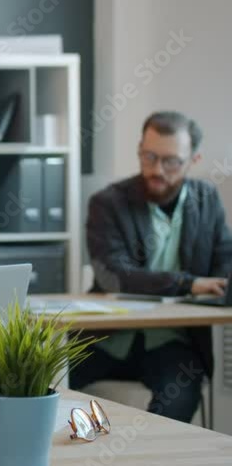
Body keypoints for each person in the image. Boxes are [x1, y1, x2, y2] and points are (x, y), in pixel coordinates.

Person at [73, 111, 232, 422]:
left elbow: (224, 259)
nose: (157, 170)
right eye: (149, 156)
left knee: (178, 399)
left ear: (193, 160)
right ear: (139, 150)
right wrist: (188, 284)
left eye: (171, 161)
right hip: (104, 341)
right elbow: (114, 276)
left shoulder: (207, 199)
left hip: (172, 342)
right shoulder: (108, 202)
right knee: (33, 380)